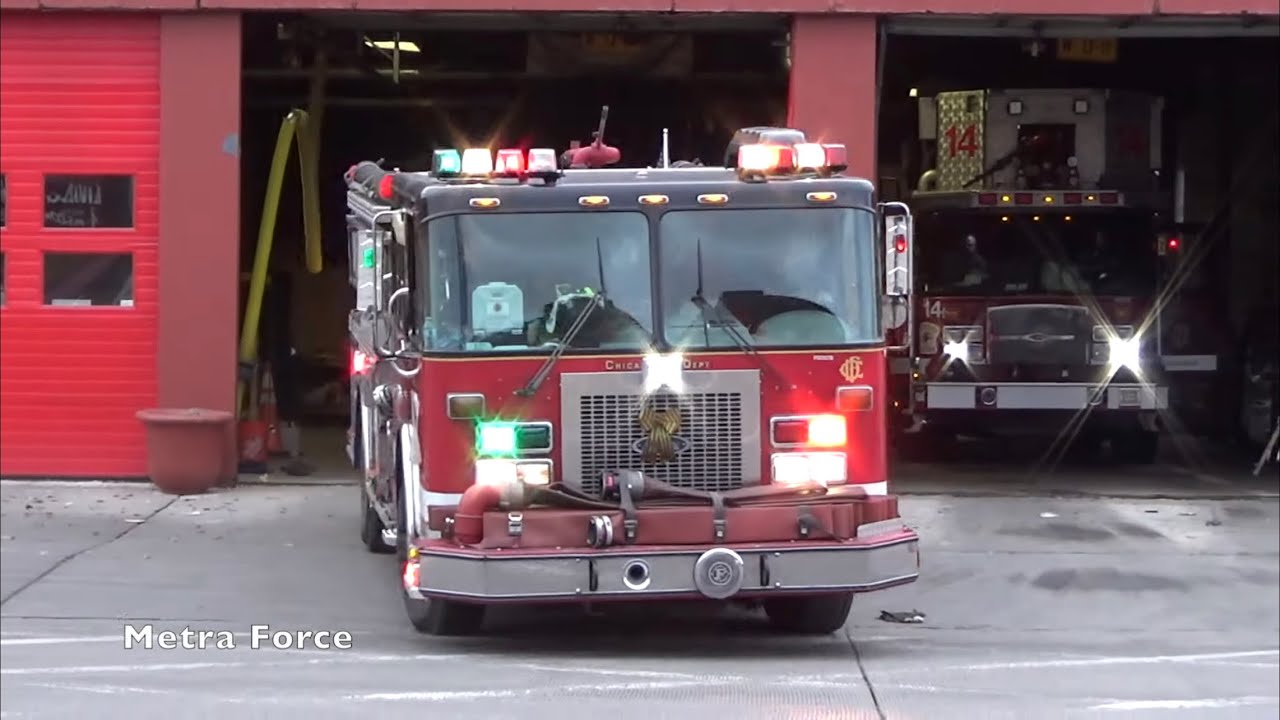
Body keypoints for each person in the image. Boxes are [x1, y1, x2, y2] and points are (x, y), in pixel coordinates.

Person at [260, 268, 314, 477]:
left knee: (289, 403)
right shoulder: (282, 316)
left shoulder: (278, 317)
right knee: (289, 405)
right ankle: (292, 451)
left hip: (281, 355)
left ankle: (292, 450)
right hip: (283, 356)